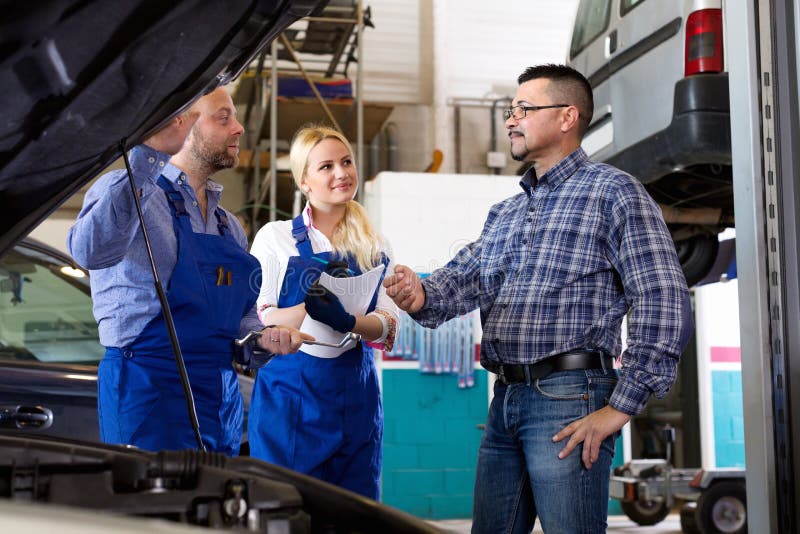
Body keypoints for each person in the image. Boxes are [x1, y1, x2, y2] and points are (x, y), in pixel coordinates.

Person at [383, 64, 693, 533]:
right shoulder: (505, 212)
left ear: (568, 117)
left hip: (570, 398)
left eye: (524, 109)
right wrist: (420, 291)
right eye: (511, 110)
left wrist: (621, 406)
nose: (511, 120)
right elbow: (467, 278)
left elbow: (662, 297)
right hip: (505, 397)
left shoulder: (613, 192)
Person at [67, 88, 310, 456]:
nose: (240, 128)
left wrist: (261, 341)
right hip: (147, 398)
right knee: (151, 511)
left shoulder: (229, 226)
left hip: (220, 404)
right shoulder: (129, 192)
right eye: (223, 117)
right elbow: (89, 251)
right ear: (182, 124)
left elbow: (240, 322)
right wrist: (147, 154)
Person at [248, 125, 398, 500]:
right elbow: (259, 314)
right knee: (287, 507)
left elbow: (388, 324)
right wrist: (307, 309)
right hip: (291, 394)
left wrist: (347, 321)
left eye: (346, 162)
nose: (341, 173)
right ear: (304, 182)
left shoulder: (375, 244)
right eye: (326, 166)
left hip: (357, 394)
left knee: (356, 512)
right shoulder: (275, 237)